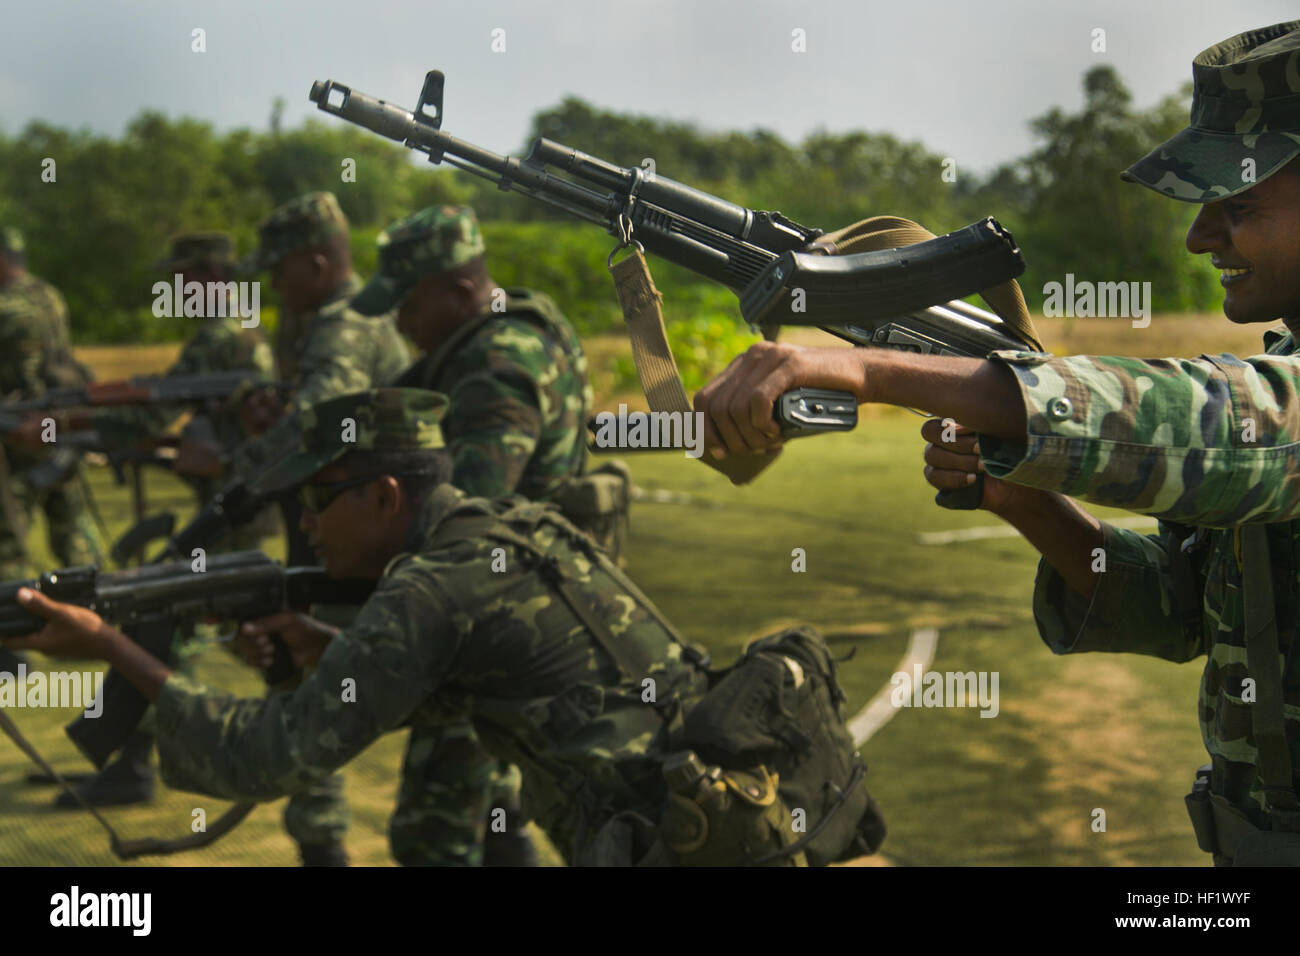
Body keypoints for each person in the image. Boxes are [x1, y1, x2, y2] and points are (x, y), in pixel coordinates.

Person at [691, 20, 1300, 866]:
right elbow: (1181, 609)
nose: (1200, 239)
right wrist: (1021, 499)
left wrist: (866, 370)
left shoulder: (1273, 402)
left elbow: (1222, 422)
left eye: (1237, 206)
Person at [0, 388, 876, 866]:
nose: (305, 526)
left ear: (385, 497)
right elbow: (511, 685)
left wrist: (106, 645)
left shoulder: (432, 588)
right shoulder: (517, 529)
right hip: (725, 826)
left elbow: (270, 754)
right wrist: (334, 650)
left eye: (317, 502)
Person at [345, 204, 602, 865]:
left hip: (493, 623)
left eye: (408, 305)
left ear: (460, 292)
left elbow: (471, 516)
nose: (401, 324)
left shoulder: (495, 362)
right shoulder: (501, 336)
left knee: (431, 833)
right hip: (525, 612)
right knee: (497, 820)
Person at [0, 226, 103, 581]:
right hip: (59, 424)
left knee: (7, 543)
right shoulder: (48, 295)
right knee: (73, 533)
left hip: (21, 432)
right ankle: (95, 607)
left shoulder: (7, 308)